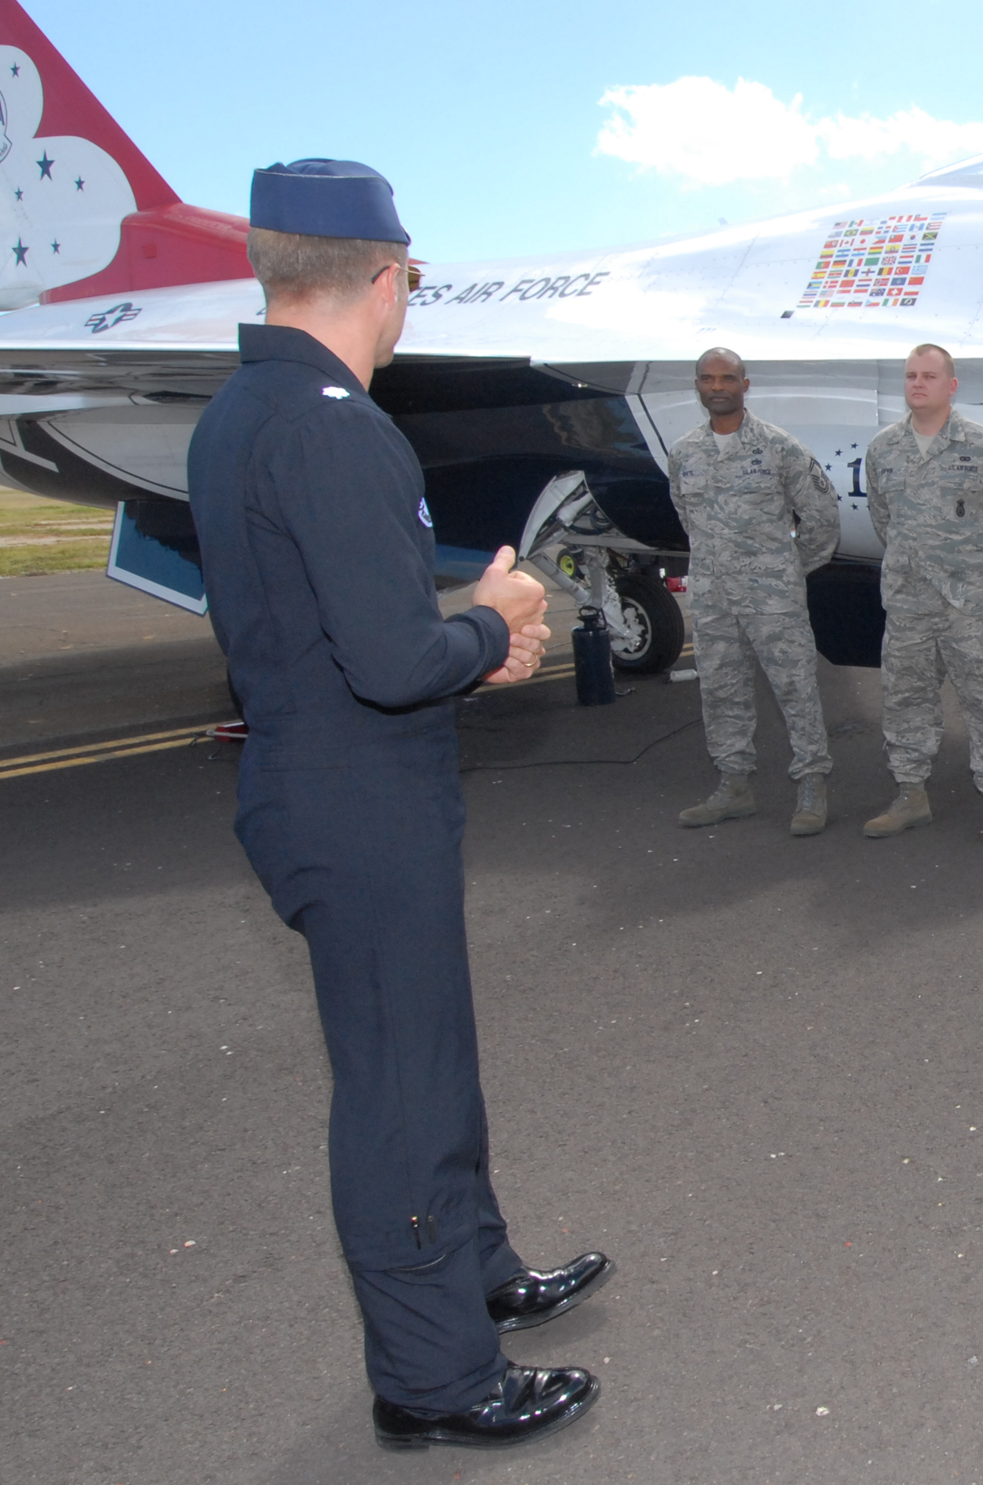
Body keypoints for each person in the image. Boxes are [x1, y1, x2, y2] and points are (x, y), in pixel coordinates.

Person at [187, 160, 607, 1452]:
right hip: (356, 809)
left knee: (432, 1065)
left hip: (343, 792)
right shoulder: (328, 424)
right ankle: (434, 1378)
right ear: (384, 278)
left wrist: (476, 638)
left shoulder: (254, 408)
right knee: (396, 1096)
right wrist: (497, 622)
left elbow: (350, 632)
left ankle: (475, 1275)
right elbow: (388, 661)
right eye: (412, 280)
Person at [859, 344, 983, 842]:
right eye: (911, 375)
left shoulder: (981, 446)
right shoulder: (883, 449)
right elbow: (883, 517)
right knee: (905, 699)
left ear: (950, 385)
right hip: (909, 602)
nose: (918, 383)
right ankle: (911, 794)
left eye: (929, 376)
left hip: (969, 605)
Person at [667, 348, 841, 835]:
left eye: (727, 378)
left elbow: (822, 517)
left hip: (773, 602)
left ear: (746, 385)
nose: (717, 386)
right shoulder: (684, 453)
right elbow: (687, 518)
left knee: (796, 690)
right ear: (698, 386)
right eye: (707, 378)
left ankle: (811, 786)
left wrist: (786, 568)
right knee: (721, 691)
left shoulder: (778, 447)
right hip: (713, 600)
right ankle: (733, 784)